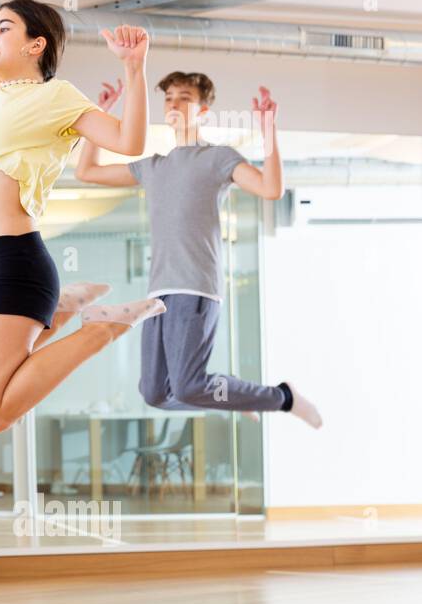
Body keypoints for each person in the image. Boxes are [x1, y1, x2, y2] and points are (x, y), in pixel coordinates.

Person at [0, 0, 163, 438]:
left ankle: (104, 327)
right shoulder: (2, 101)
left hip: (15, 266)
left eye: (3, 28)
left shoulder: (58, 96)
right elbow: (15, 112)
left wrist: (134, 70)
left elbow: (128, 139)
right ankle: (62, 312)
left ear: (36, 45)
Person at [75, 72, 322, 427]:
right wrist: (100, 114)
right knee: (155, 393)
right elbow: (87, 171)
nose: (174, 103)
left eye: (185, 98)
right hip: (158, 292)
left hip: (194, 285)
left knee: (189, 387)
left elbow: (271, 190)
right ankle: (234, 398)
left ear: (203, 110)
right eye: (169, 98)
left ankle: (283, 398)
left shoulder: (218, 158)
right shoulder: (153, 166)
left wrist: (268, 132)